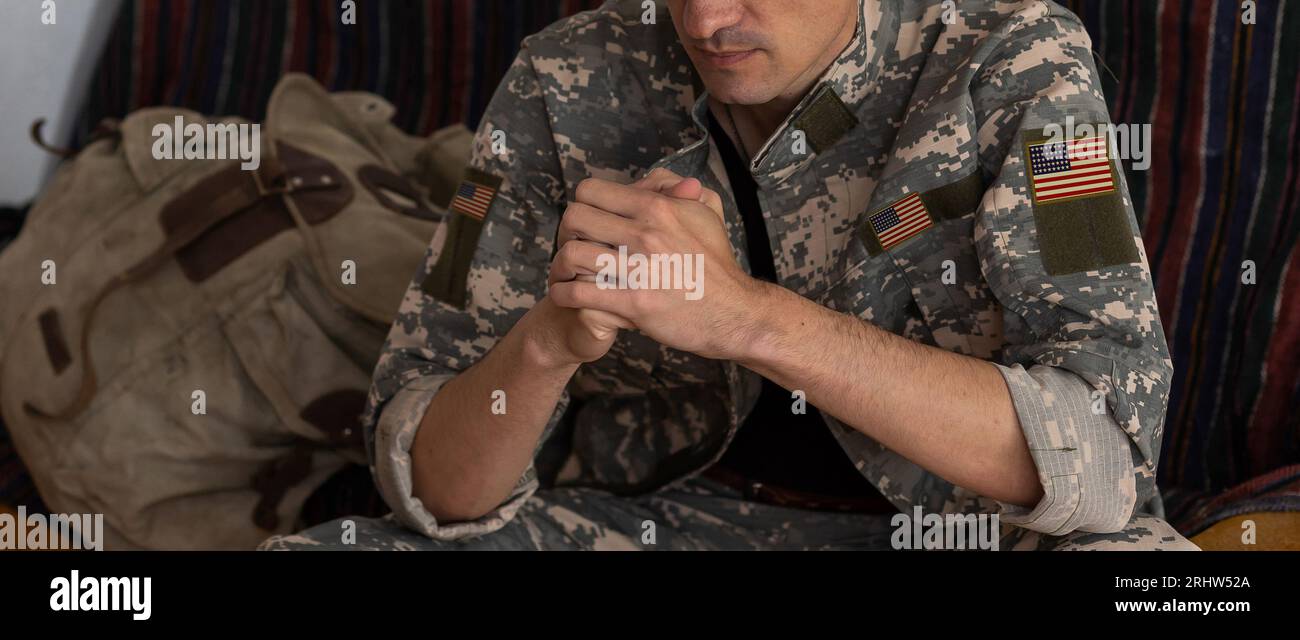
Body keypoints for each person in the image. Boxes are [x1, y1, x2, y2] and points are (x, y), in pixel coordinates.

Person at [263, 0, 1197, 551]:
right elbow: (432, 489)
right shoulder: (565, 79)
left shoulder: (1021, 58)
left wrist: (748, 319)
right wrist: (546, 345)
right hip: (664, 523)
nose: (706, 22)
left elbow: (1107, 456)